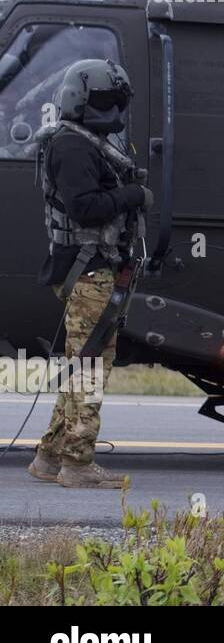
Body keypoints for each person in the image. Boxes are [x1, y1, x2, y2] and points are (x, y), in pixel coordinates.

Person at [28, 60, 151, 489]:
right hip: (89, 271)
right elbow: (86, 208)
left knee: (80, 365)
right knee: (91, 368)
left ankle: (49, 456)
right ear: (84, 100)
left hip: (89, 269)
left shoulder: (80, 142)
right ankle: (77, 463)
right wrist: (133, 194)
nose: (112, 111)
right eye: (106, 101)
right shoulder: (74, 147)